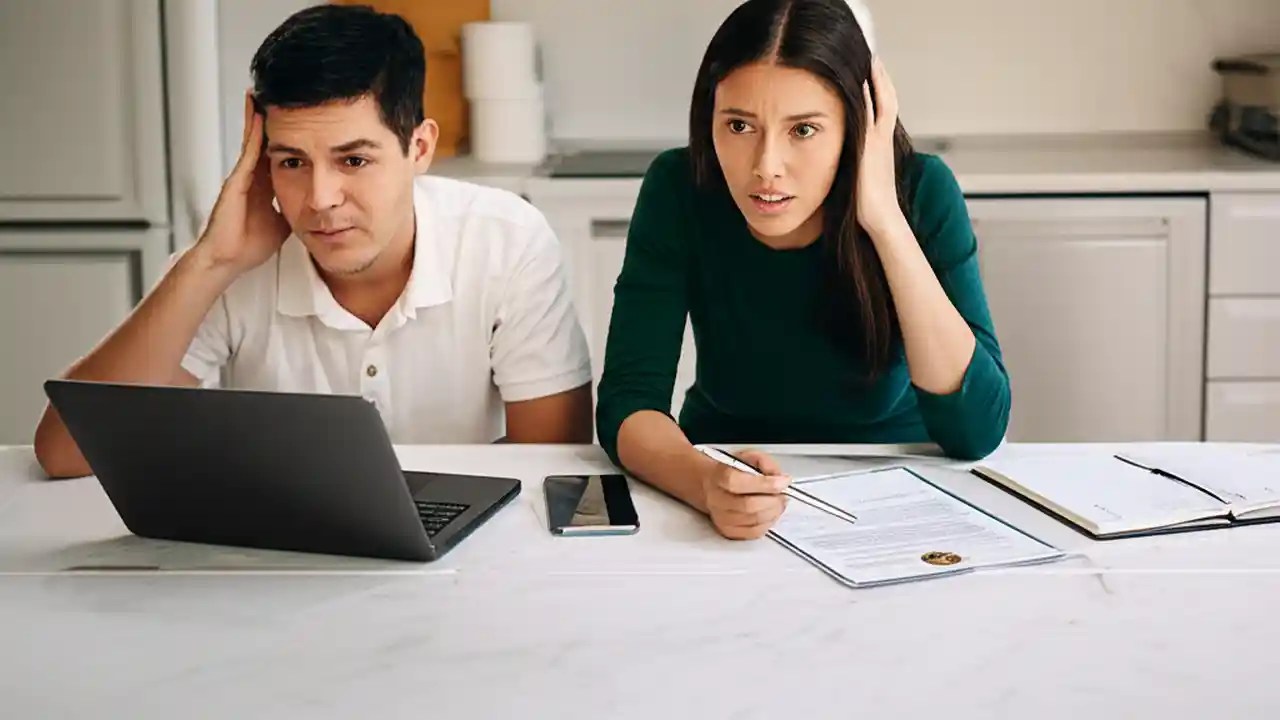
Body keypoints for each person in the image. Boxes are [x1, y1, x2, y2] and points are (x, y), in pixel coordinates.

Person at [34, 5, 593, 479]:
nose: (320, 198)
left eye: (354, 159)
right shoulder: (234, 257)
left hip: (468, 560)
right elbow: (65, 454)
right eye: (292, 162)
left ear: (419, 148)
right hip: (280, 562)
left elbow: (550, 464)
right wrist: (211, 263)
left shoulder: (505, 240)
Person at [595, 0, 1011, 540]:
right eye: (740, 125)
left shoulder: (922, 190)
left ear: (856, 129)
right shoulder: (679, 186)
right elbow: (628, 403)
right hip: (725, 472)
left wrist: (884, 220)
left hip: (897, 484)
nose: (766, 166)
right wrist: (705, 483)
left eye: (804, 130)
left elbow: (977, 431)